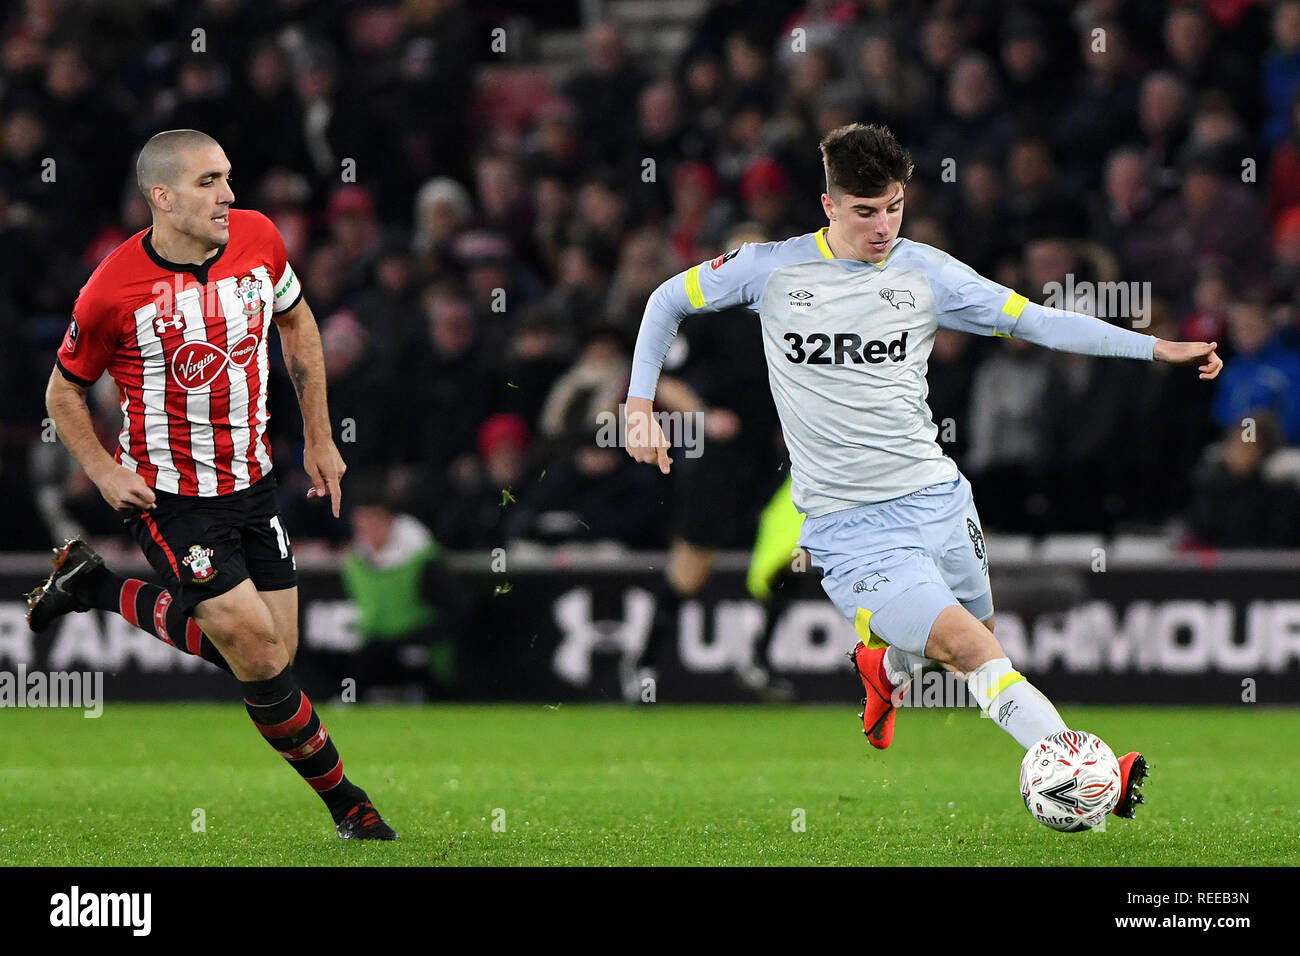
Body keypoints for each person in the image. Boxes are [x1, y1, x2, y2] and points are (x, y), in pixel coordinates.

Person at [624, 123, 1225, 821]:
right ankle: (1088, 775)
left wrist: (1154, 348)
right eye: (865, 211)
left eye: (895, 208)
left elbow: (1037, 322)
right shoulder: (771, 270)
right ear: (829, 206)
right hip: (851, 529)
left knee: (978, 646)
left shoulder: (927, 273)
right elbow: (666, 299)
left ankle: (885, 667)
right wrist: (639, 404)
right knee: (974, 651)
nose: (883, 227)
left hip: (940, 500)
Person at [24, 129, 397, 840]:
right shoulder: (111, 288)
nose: (228, 195)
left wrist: (319, 435)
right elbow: (63, 394)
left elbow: (299, 324)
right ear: (162, 198)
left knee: (272, 656)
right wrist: (105, 472)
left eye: (228, 178)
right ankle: (349, 803)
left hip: (253, 485)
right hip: (169, 497)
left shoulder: (259, 240)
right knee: (255, 652)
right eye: (208, 183)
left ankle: (95, 586)